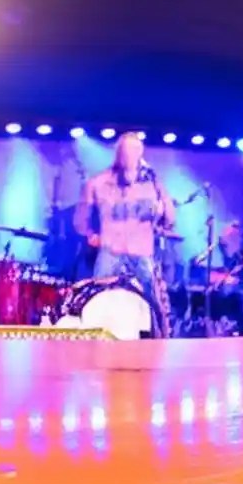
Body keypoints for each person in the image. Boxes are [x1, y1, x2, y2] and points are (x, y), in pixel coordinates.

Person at [74, 132, 176, 337]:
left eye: (135, 150)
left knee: (153, 307)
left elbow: (170, 219)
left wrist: (163, 210)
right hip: (111, 252)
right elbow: (79, 219)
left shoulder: (152, 182)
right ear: (118, 153)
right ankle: (97, 345)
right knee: (98, 302)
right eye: (125, 150)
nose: (130, 155)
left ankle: (156, 344)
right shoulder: (100, 182)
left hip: (142, 253)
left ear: (141, 153)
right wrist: (91, 235)